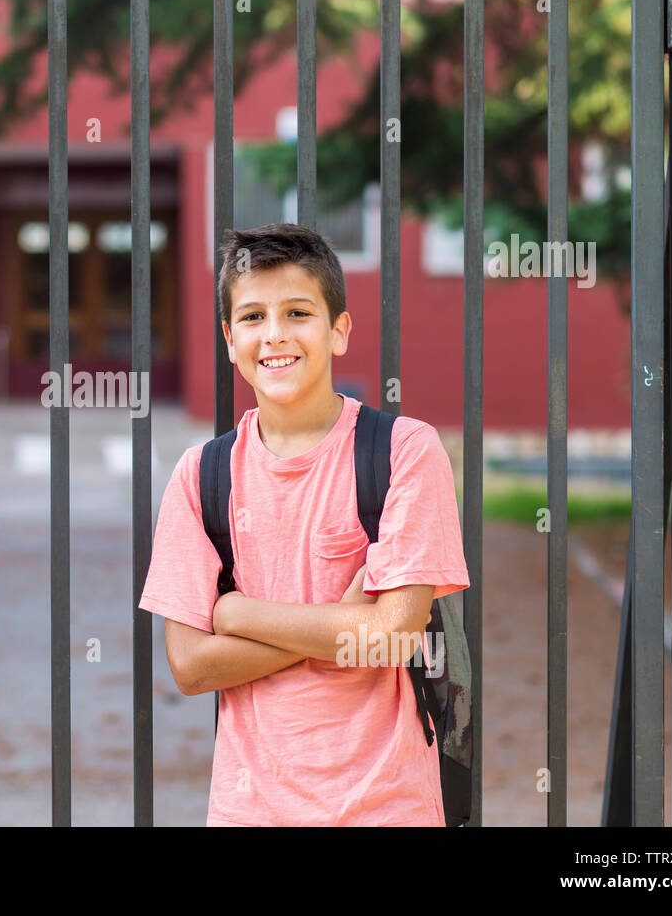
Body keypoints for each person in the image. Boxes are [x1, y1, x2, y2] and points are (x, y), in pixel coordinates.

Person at [138, 223, 470, 826]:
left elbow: (392, 637)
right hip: (251, 810)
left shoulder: (404, 452)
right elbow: (189, 666)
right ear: (229, 339)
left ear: (338, 330)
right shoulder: (200, 476)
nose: (275, 335)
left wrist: (235, 614)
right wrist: (343, 629)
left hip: (385, 806)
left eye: (298, 312)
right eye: (252, 317)